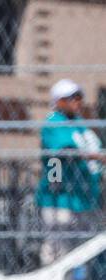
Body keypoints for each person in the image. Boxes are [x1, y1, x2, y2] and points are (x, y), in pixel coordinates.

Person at [36, 79, 104, 265]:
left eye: (79, 97)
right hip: (61, 197)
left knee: (79, 251)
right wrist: (97, 157)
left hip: (83, 198)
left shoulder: (79, 125)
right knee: (58, 249)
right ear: (58, 101)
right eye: (71, 98)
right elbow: (61, 153)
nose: (77, 102)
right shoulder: (53, 122)